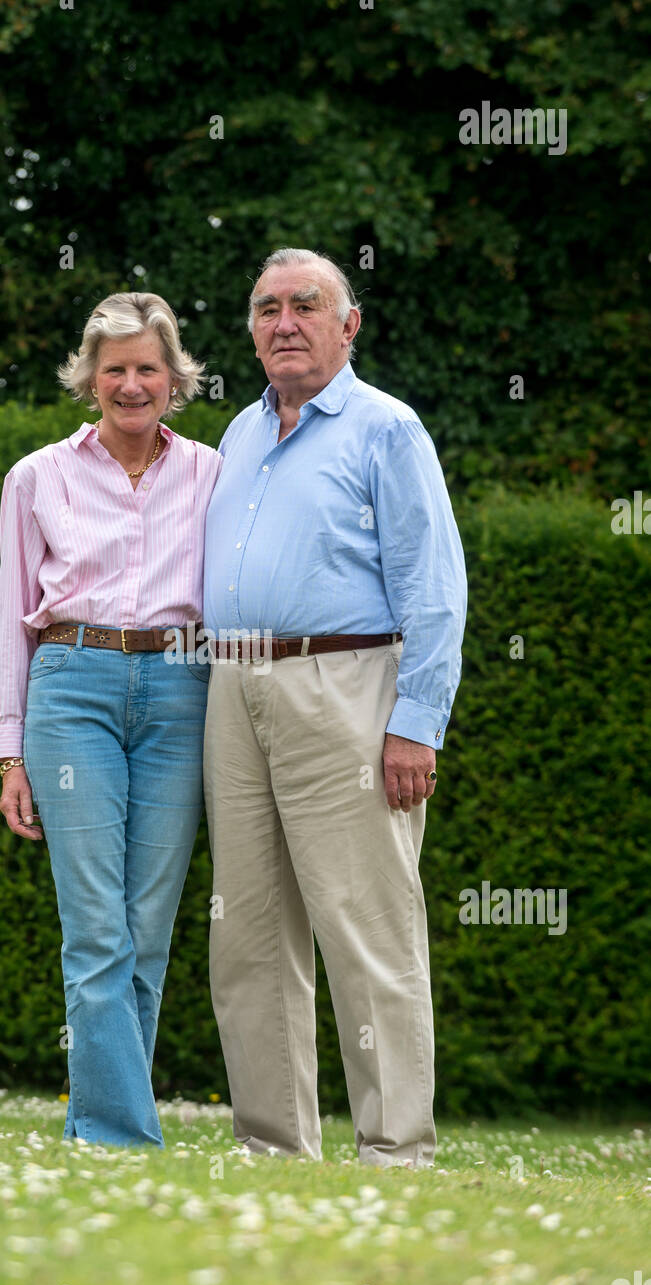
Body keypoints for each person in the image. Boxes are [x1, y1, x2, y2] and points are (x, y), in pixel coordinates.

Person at [202, 248, 467, 1167]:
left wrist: (415, 722)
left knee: (365, 927)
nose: (283, 322)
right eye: (266, 307)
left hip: (349, 689)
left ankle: (395, 1152)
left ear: (347, 325)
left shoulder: (384, 429)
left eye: (305, 305)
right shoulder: (236, 435)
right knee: (245, 934)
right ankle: (273, 1148)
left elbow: (434, 587)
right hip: (230, 690)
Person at [0, 292, 221, 1148]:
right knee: (94, 927)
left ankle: (101, 1128)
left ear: (174, 378)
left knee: (146, 929)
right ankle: (121, 1137)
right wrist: (11, 752)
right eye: (113, 368)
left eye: (147, 368)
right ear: (89, 379)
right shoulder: (36, 476)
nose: (131, 384)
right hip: (71, 683)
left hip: (182, 689)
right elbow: (13, 615)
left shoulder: (214, 472)